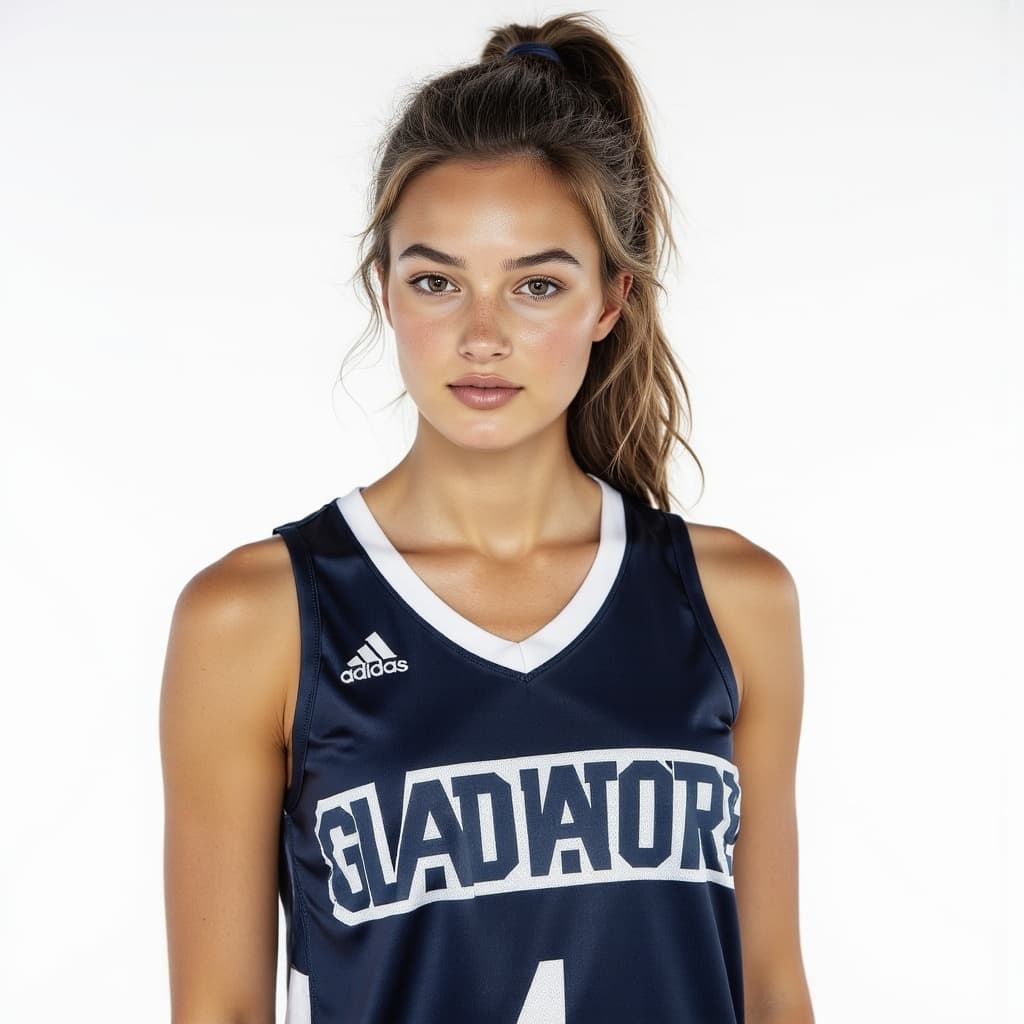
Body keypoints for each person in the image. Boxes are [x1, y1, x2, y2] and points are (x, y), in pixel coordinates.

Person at [160, 11, 814, 1023]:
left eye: (536, 285)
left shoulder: (732, 601)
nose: (480, 335)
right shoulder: (255, 617)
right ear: (385, 289)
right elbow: (220, 1010)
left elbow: (770, 990)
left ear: (609, 300)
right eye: (436, 280)